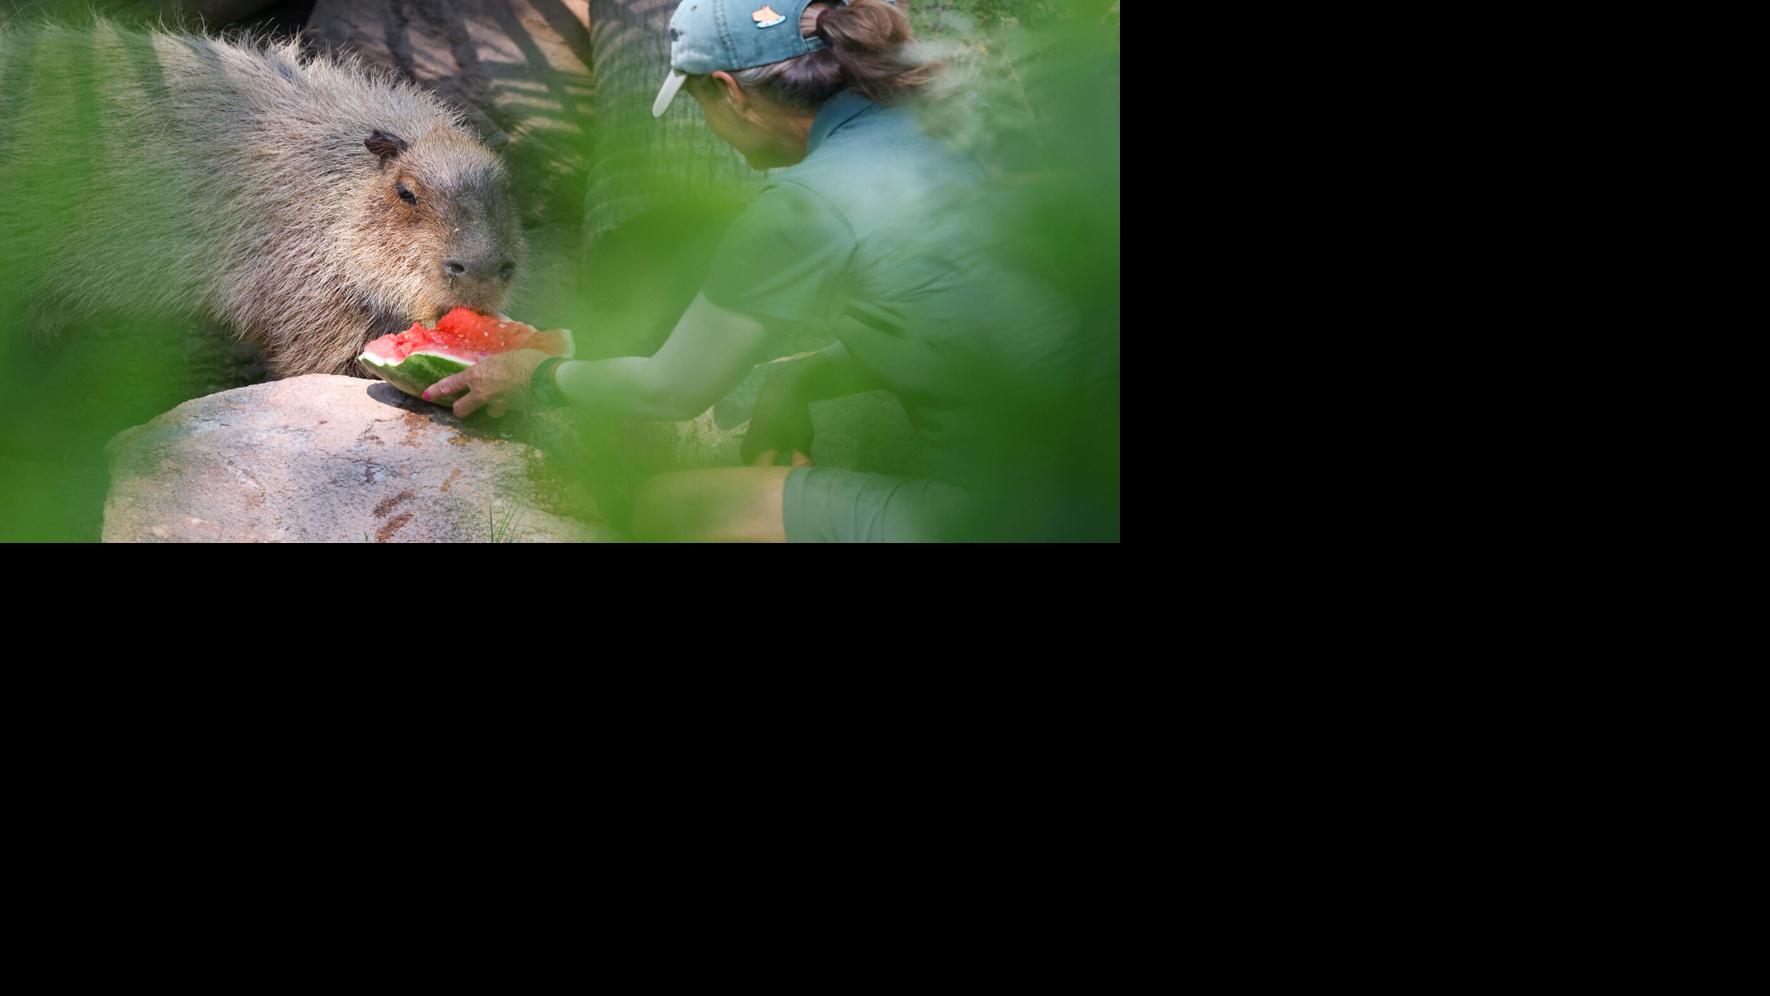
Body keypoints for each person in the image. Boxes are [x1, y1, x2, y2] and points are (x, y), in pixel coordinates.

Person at [425, 0, 1096, 541]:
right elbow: (950, 309)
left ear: (731, 93)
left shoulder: (807, 204)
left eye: (698, 106)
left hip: (1022, 516)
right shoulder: (953, 123)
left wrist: (539, 376)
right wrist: (800, 378)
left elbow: (672, 390)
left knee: (672, 508)